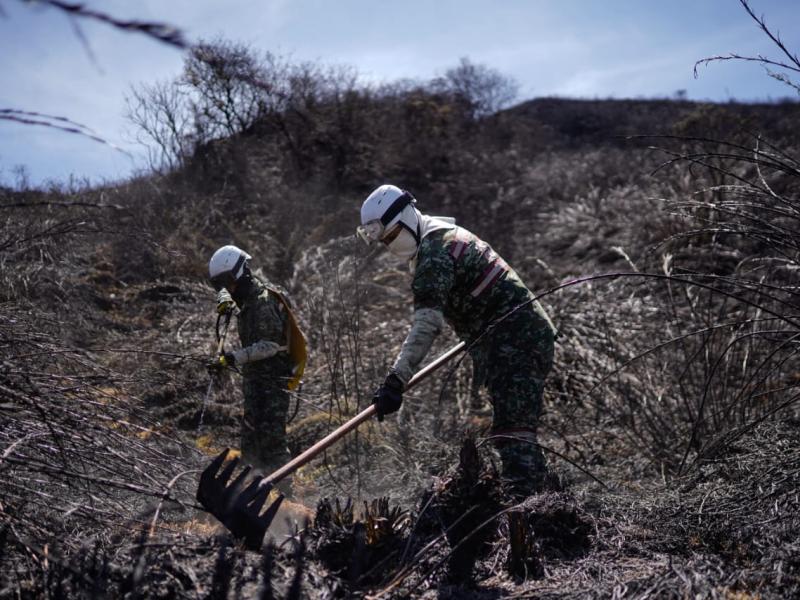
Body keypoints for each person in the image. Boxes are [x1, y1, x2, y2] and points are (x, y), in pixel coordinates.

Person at [357, 185, 557, 497]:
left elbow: (427, 324)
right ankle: (542, 497)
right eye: (383, 241)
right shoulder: (443, 233)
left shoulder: (434, 254)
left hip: (516, 341)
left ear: (408, 219)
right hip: (511, 339)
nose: (389, 245)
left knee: (512, 433)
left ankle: (533, 511)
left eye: (392, 236)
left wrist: (396, 379)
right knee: (513, 429)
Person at [207, 245, 306, 494]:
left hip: (272, 383)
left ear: (239, 274)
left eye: (226, 282)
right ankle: (248, 494)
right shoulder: (245, 304)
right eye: (218, 284)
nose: (224, 289)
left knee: (272, 440)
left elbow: (270, 345)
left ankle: (285, 497)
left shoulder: (262, 301)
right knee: (250, 440)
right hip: (255, 381)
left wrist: (233, 358)